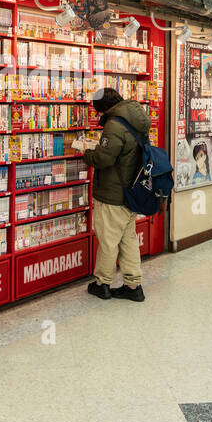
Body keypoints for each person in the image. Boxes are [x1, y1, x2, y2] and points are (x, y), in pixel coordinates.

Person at [82, 87, 150, 301]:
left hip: (113, 193)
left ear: (103, 108)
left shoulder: (114, 124)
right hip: (132, 191)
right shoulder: (135, 119)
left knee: (109, 240)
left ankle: (102, 283)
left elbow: (104, 159)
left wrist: (87, 153)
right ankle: (133, 285)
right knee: (128, 239)